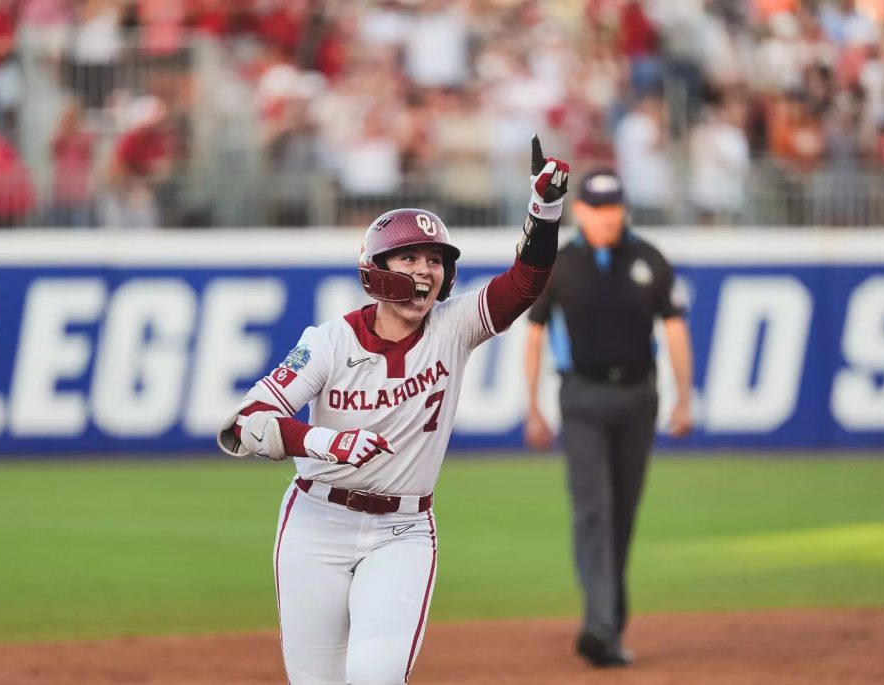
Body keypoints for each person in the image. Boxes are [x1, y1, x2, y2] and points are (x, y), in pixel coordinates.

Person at [217, 136, 570, 685]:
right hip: (316, 521)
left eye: (435, 260)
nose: (425, 270)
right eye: (408, 257)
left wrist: (544, 210)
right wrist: (322, 442)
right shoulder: (330, 342)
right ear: (374, 268)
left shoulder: (454, 326)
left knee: (376, 677)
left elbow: (524, 283)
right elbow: (246, 422)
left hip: (403, 530)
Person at [523, 168, 694, 668]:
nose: (606, 216)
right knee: (593, 509)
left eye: (613, 206)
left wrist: (684, 398)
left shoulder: (649, 259)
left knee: (622, 513)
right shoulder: (560, 265)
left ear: (624, 210)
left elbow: (676, 330)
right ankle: (598, 623)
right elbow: (533, 335)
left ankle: (609, 625)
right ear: (579, 212)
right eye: (597, 207)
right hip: (581, 398)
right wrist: (532, 406)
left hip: (638, 397)